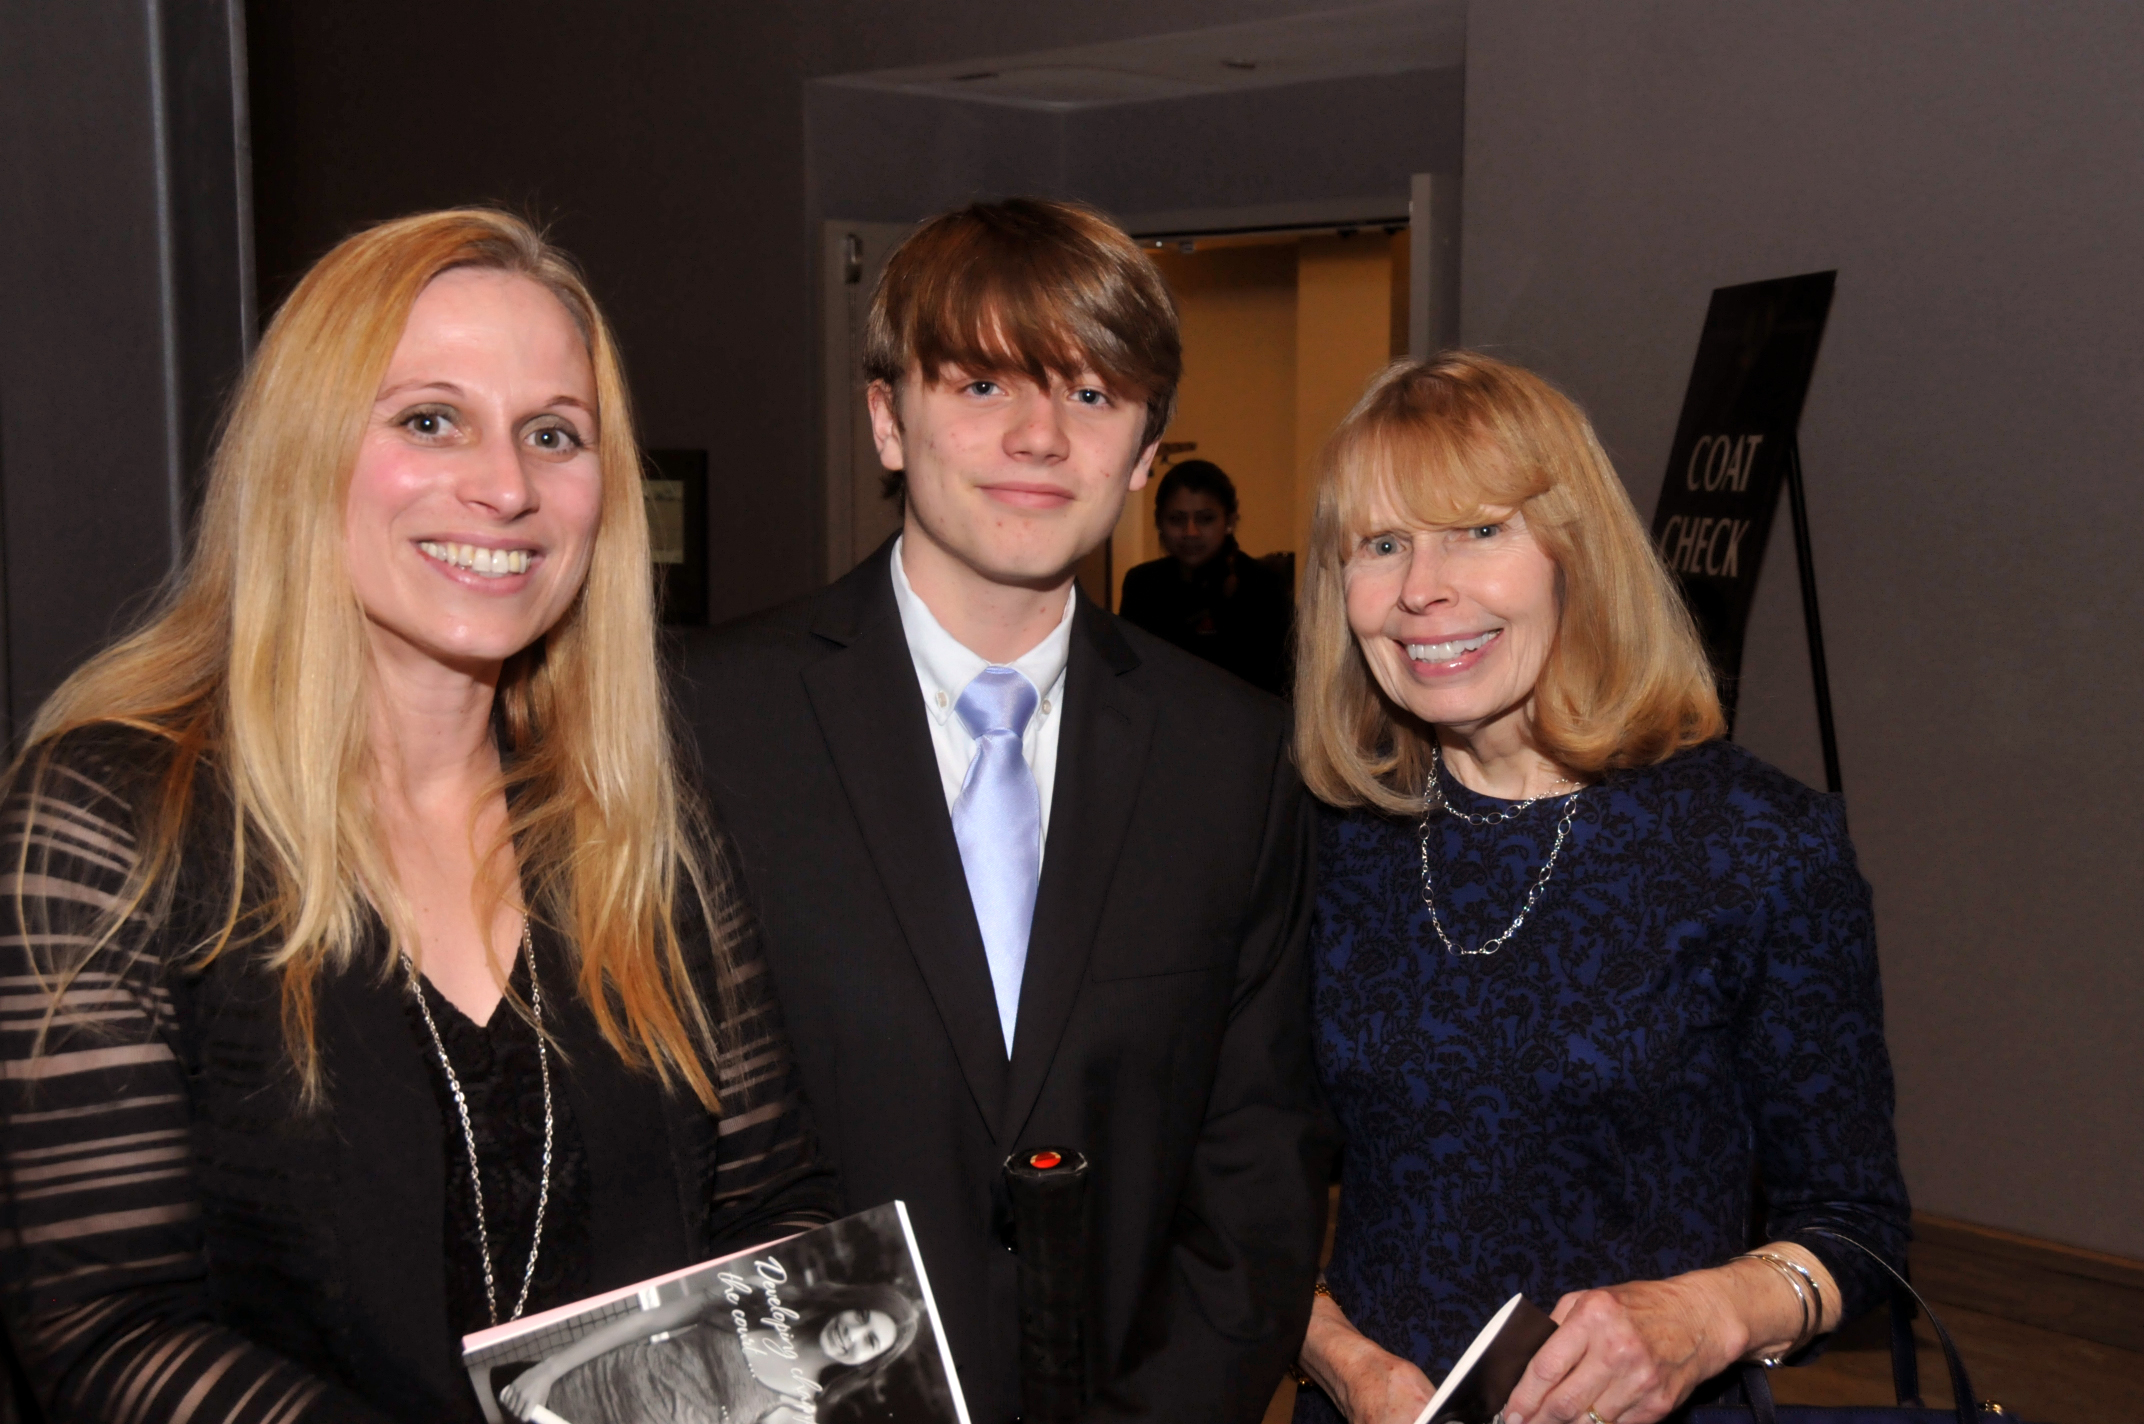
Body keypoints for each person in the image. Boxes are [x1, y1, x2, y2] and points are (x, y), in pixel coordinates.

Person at [0, 209, 838, 1424]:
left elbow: (773, 1210)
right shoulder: (109, 819)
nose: (504, 487)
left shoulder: (643, 839)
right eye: (429, 419)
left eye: (553, 434)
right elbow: (105, 1325)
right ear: (305, 451)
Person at [676, 198, 1331, 1424]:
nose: (1039, 436)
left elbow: (1256, 1167)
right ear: (886, 417)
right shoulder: (701, 727)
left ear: (1146, 452)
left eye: (1090, 396)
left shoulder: (1234, 758)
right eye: (982, 385)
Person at [1288, 354, 1910, 1424]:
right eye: (1380, 544)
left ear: (1573, 553)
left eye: (1478, 530)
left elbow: (1856, 1227)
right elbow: (1228, 1189)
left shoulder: (1756, 843)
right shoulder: (1320, 840)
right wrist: (1346, 1362)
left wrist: (1701, 1316)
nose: (1421, 587)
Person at [500, 1278, 918, 1423]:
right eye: (862, 1316)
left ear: (868, 1365)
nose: (853, 1334)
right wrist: (548, 1370)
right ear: (848, 1302)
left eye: (870, 1343)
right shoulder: (758, 1299)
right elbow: (646, 1321)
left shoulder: (795, 1413)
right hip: (560, 1389)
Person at [1118, 459, 1293, 694]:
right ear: (1160, 521)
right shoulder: (1142, 584)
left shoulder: (1264, 585)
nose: (1191, 532)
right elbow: (1129, 680)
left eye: (1205, 518)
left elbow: (1283, 684)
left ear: (1229, 520)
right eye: (1177, 519)